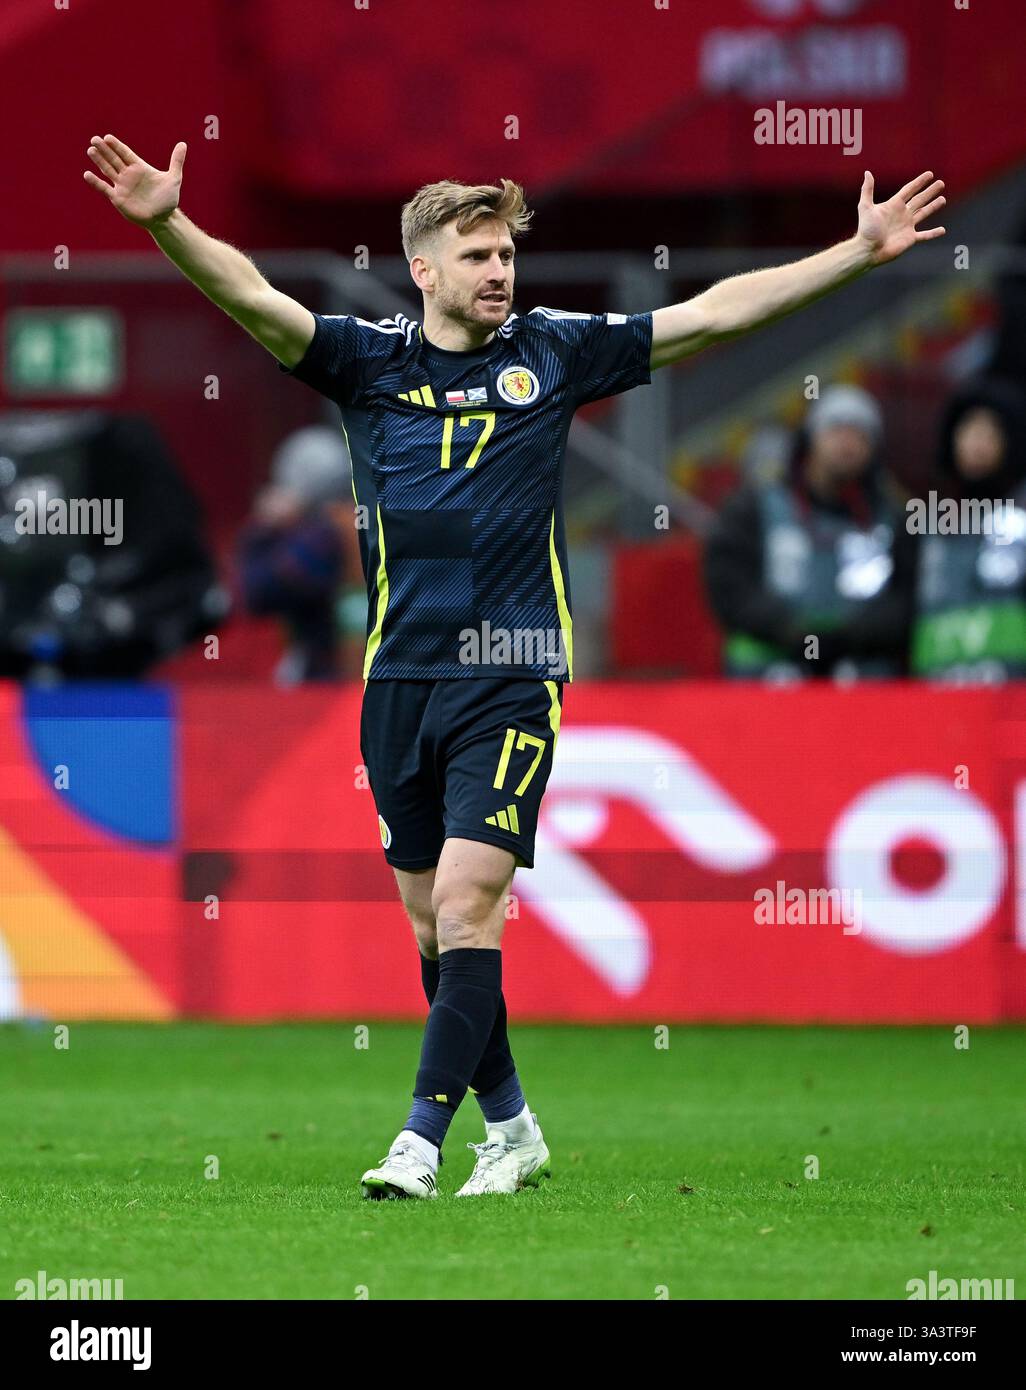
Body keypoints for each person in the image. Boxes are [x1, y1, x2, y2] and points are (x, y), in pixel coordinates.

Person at [85, 131, 945, 1198]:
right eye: (478, 255)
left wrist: (856, 255)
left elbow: (716, 313)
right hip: (397, 675)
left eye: (506, 253)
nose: (499, 271)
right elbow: (253, 297)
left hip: (514, 666)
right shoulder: (368, 360)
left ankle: (416, 1139)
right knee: (431, 921)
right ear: (427, 270)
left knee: (467, 899)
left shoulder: (555, 351)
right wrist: (169, 222)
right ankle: (514, 1126)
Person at [704, 386, 915, 681]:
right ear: (811, 438)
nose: (848, 443)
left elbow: (908, 598)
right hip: (764, 687)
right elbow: (729, 586)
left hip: (864, 691)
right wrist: (791, 631)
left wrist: (849, 637)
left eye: (860, 434)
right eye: (837, 430)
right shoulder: (755, 507)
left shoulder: (892, 518)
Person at [911, 377, 1026, 681]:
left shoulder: (1021, 520)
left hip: (1012, 702)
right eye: (970, 431)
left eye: (990, 434)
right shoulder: (925, 525)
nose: (978, 444)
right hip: (935, 697)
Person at [238, 425, 351, 685]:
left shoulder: (322, 536)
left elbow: (256, 591)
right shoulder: (315, 532)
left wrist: (264, 528)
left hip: (331, 687)